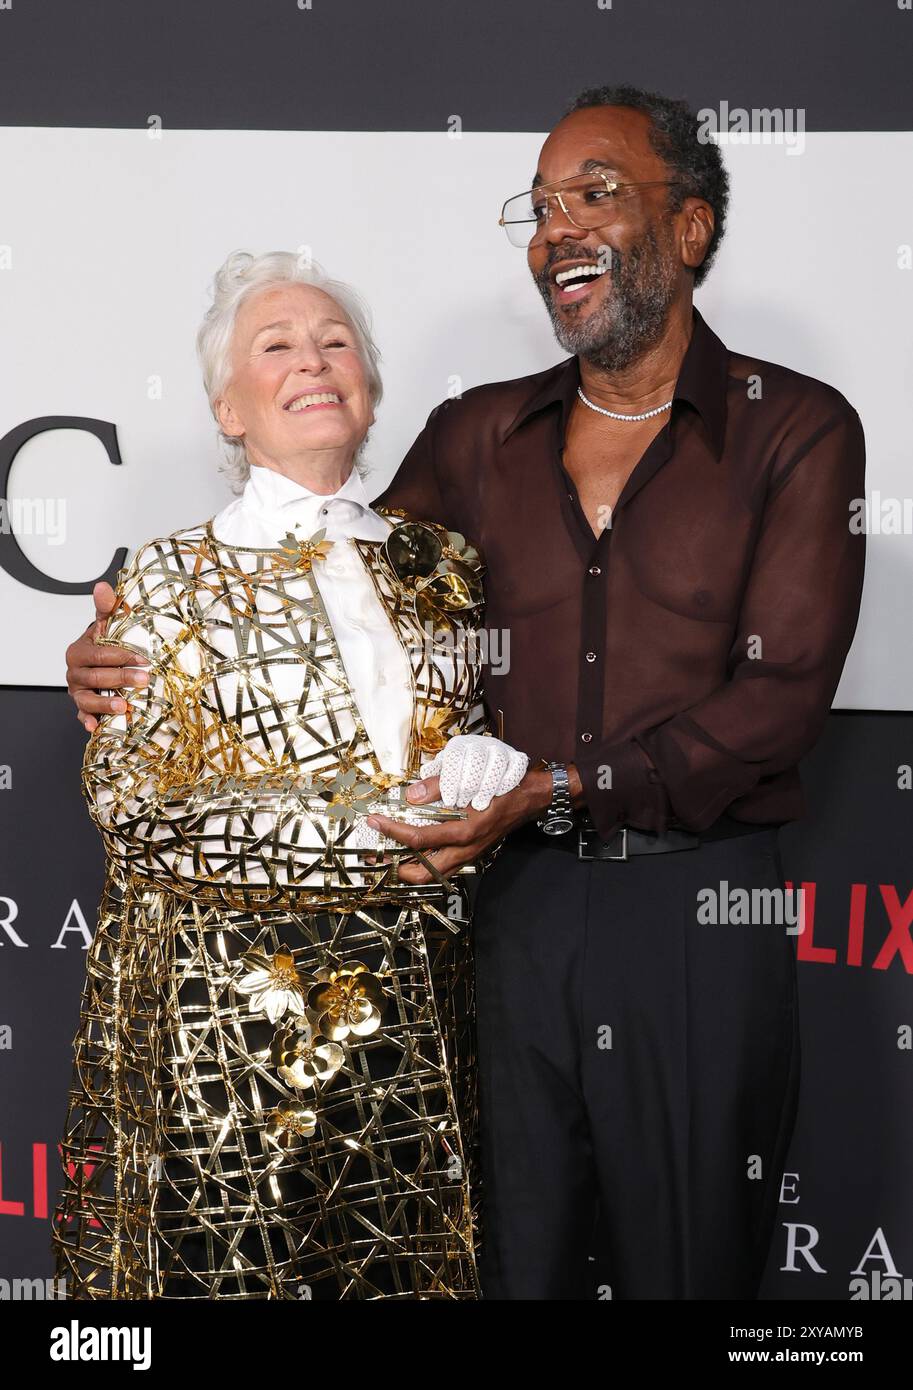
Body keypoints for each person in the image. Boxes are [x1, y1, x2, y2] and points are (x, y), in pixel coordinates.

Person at [65, 87, 867, 1300]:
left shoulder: (795, 428)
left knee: (696, 1266)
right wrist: (123, 640)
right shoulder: (474, 437)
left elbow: (784, 696)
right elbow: (330, 595)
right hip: (505, 918)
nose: (554, 229)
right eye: (539, 208)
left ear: (689, 229)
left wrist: (558, 783)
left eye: (594, 193)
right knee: (503, 1265)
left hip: (692, 916)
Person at [52, 249, 530, 1300]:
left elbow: (459, 734)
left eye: (335, 341)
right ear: (229, 407)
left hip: (416, 1019)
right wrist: (361, 831)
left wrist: (476, 765)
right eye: (275, 346)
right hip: (233, 1039)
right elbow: (135, 812)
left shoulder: (439, 566)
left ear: (369, 389)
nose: (313, 361)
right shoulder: (167, 578)